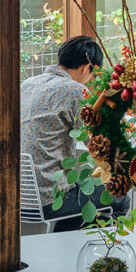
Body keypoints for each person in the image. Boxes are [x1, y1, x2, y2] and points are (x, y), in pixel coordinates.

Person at [20, 35, 127, 230]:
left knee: (77, 191)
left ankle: (66, 246)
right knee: (120, 197)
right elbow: (97, 147)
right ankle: (99, 251)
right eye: (93, 75)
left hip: (18, 197)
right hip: (49, 199)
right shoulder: (74, 90)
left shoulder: (27, 85)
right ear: (88, 68)